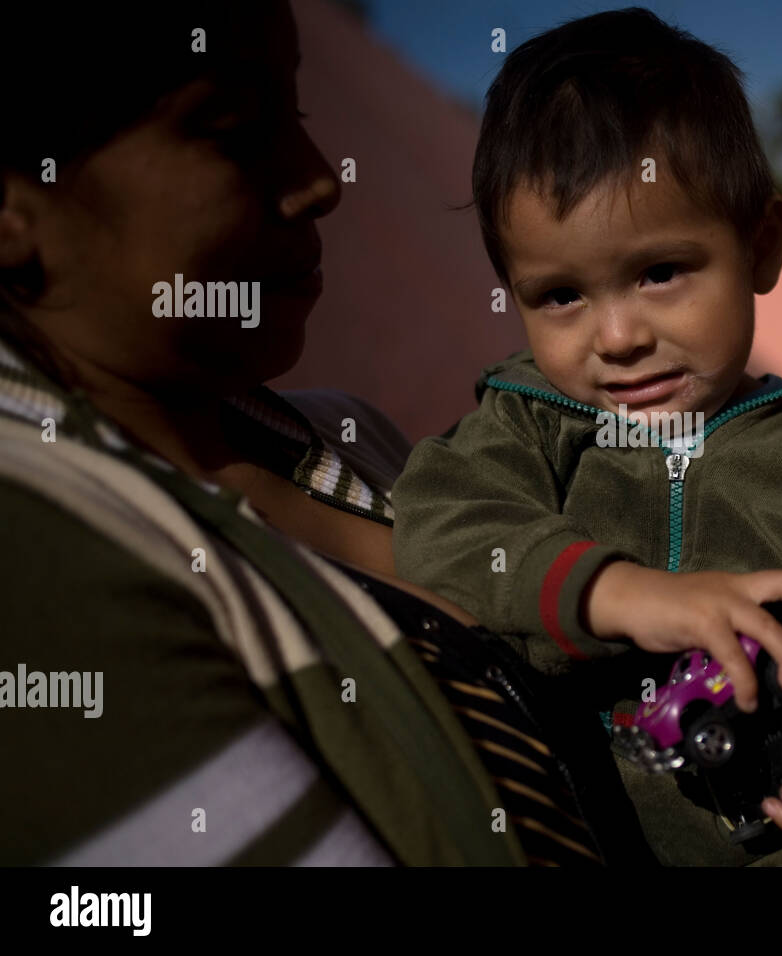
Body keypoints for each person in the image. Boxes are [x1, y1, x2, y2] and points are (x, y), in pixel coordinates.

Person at [392, 8, 782, 865]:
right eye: (561, 296)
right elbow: (437, 528)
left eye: (659, 273)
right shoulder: (524, 431)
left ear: (761, 247)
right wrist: (620, 593)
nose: (616, 338)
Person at [0, 1, 609, 866]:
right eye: (233, 126)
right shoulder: (37, 559)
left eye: (300, 115)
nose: (321, 177)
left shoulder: (341, 440)